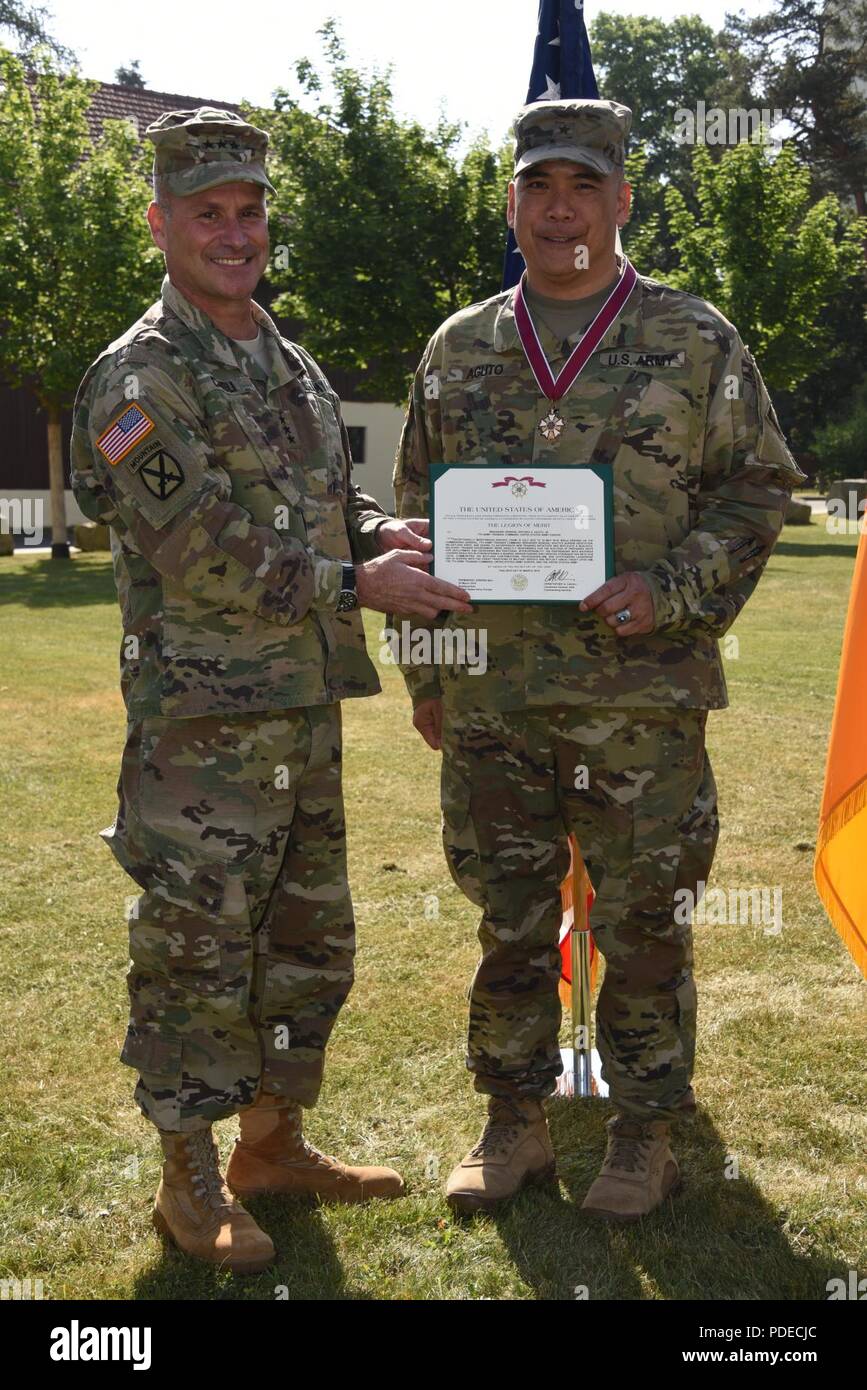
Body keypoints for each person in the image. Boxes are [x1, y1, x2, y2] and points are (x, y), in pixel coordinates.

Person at [70, 106, 471, 1273]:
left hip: (300, 708)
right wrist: (362, 578)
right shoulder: (134, 379)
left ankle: (273, 1144)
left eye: (249, 212)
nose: (235, 233)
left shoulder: (279, 356)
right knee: (198, 949)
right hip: (203, 728)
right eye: (210, 214)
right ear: (162, 224)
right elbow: (201, 545)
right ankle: (187, 1181)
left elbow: (316, 501)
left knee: (304, 943)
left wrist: (381, 526)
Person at [392, 98, 805, 1221]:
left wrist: (669, 592)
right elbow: (412, 517)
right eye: (539, 186)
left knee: (646, 926)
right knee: (508, 921)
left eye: (583, 186)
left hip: (643, 700)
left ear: (622, 199)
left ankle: (642, 1130)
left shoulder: (696, 337)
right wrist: (429, 672)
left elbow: (762, 489)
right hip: (495, 703)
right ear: (514, 204)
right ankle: (514, 1120)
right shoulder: (460, 347)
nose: (560, 207)